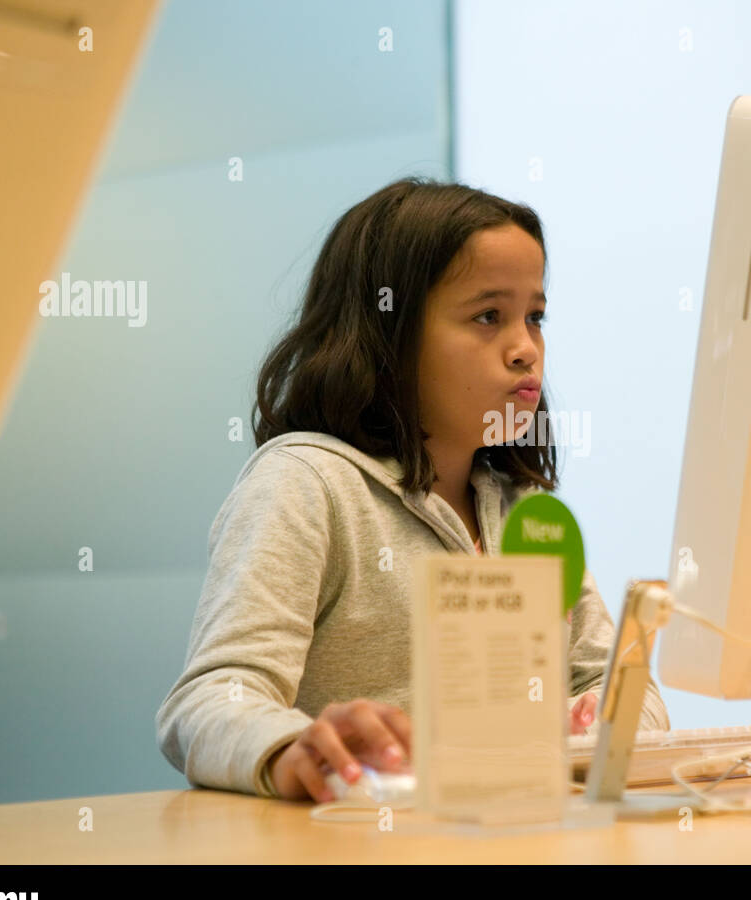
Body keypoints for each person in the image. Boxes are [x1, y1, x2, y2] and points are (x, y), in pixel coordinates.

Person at [156, 178, 670, 801]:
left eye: (534, 317)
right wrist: (293, 748)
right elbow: (211, 700)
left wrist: (595, 726)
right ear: (387, 336)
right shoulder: (306, 483)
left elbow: (615, 693)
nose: (525, 350)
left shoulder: (526, 511)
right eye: (489, 317)